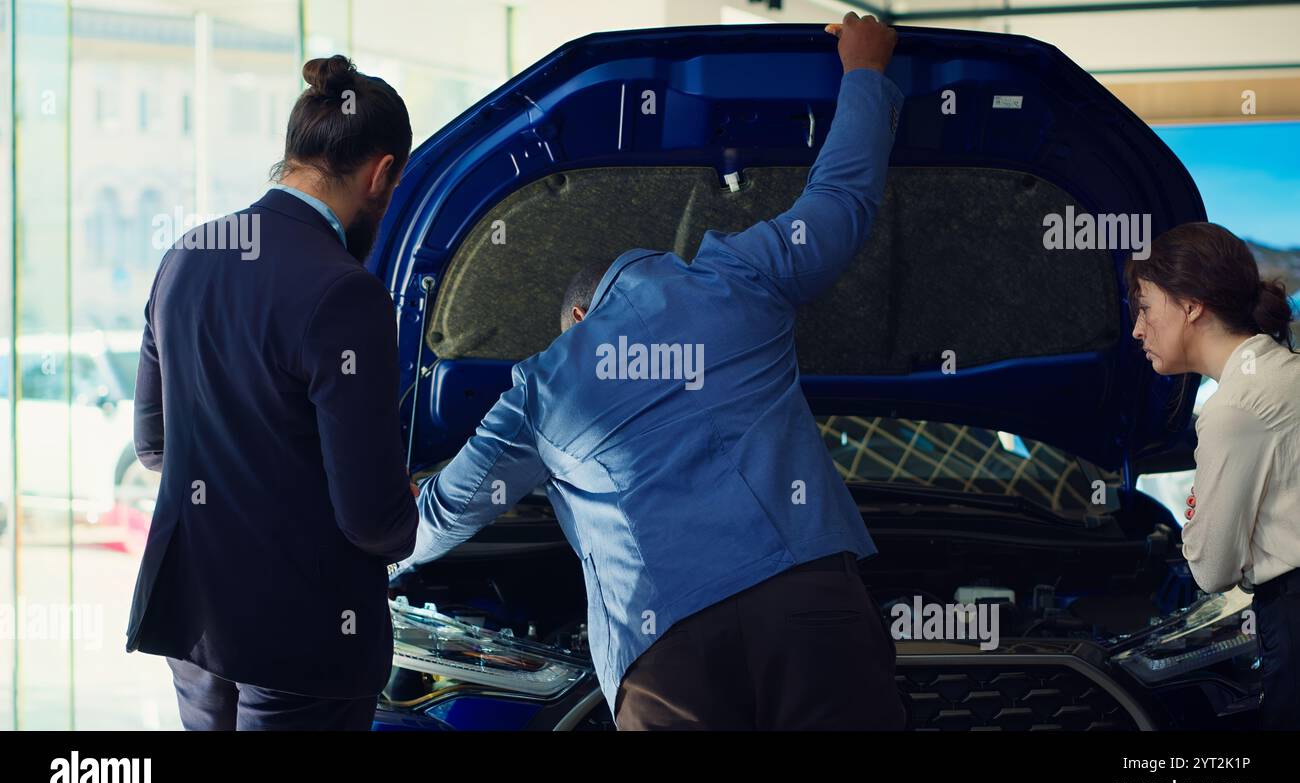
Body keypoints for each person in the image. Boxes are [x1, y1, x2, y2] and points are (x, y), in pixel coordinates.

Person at [391, 13, 907, 730]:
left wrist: (365, 562)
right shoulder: (741, 275)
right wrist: (864, 74)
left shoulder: (544, 383)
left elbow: (450, 511)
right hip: (811, 608)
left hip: (668, 649)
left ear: (577, 317)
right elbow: (841, 200)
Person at [126, 55, 418, 730]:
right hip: (304, 634)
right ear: (380, 175)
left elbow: (153, 443)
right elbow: (369, 519)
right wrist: (418, 512)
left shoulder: (186, 256)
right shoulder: (346, 291)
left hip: (195, 620)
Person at [1128, 221, 1299, 730]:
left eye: (1144, 307)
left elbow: (1211, 568)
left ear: (1191, 305)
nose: (1137, 330)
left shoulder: (1235, 408)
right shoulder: (1285, 374)